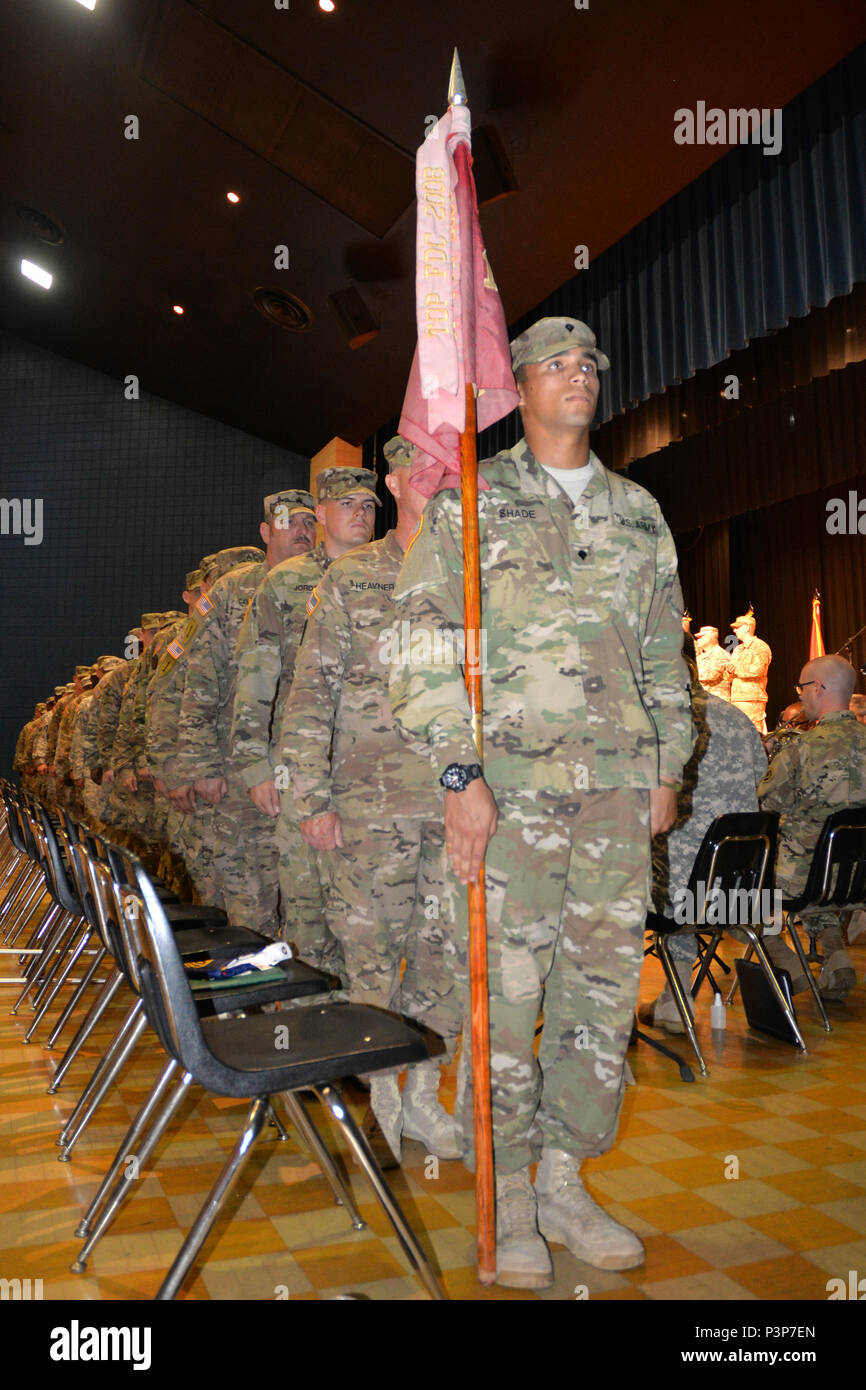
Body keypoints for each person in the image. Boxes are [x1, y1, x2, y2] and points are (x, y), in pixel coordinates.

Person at [389, 316, 693, 1287]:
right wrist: (457, 772)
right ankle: (509, 1196)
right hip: (506, 803)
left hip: (612, 801)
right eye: (553, 364)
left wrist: (666, 764)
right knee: (504, 1006)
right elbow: (417, 647)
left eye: (586, 364)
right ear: (515, 383)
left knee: (598, 1005)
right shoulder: (469, 506)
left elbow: (660, 656)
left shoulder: (639, 513)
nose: (575, 376)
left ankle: (564, 1180)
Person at [281, 438, 461, 1162]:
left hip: (456, 806)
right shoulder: (354, 577)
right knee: (372, 965)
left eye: (446, 467)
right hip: (367, 809)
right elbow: (308, 695)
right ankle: (382, 1095)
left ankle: (423, 1098)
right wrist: (311, 801)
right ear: (393, 482)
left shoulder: (470, 574)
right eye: (420, 467)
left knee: (445, 959)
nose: (436, 479)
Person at [231, 467, 378, 973]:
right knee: (308, 920)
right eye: (348, 504)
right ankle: (313, 1033)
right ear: (321, 515)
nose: (361, 514)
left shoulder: (393, 576)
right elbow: (255, 678)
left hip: (375, 773)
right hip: (299, 769)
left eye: (369, 505)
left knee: (370, 923)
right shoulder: (286, 582)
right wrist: (254, 765)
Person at [176, 491, 318, 934]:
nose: (301, 530)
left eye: (309, 522)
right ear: (265, 532)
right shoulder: (233, 590)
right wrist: (200, 764)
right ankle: (250, 997)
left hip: (304, 768)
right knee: (249, 900)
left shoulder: (327, 581)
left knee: (306, 904)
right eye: (288, 522)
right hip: (239, 772)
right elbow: (200, 678)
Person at [640, 635, 768, 1032]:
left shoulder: (648, 723)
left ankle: (611, 1018)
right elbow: (762, 787)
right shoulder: (739, 720)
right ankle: (672, 1002)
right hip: (740, 895)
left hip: (675, 896)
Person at [758, 654, 866, 1001]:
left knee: (744, 898)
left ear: (819, 688)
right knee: (815, 882)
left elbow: (764, 807)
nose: (801, 695)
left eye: (803, 687)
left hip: (804, 878)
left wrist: (768, 761)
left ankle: (790, 968)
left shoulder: (801, 749)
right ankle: (835, 959)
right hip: (856, 879)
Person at [729, 610, 772, 731]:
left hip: (752, 700)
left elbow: (759, 670)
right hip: (737, 699)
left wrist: (736, 669)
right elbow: (729, 676)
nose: (734, 630)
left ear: (747, 627)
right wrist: (728, 670)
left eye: (737, 627)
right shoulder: (738, 649)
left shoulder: (760, 647)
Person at [694, 625, 734, 701]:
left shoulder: (720, 654)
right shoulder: (700, 656)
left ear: (709, 639)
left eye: (700, 637)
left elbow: (710, 675)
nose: (697, 640)